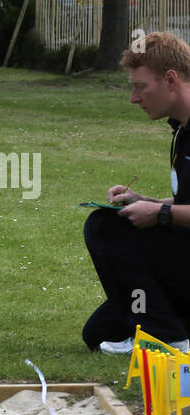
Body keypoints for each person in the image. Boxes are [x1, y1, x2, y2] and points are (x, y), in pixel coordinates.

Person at [83, 31, 190, 354]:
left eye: (140, 87)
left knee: (105, 226)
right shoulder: (182, 130)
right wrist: (148, 202)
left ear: (170, 80)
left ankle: (166, 336)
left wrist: (159, 214)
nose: (134, 98)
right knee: (99, 333)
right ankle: (159, 323)